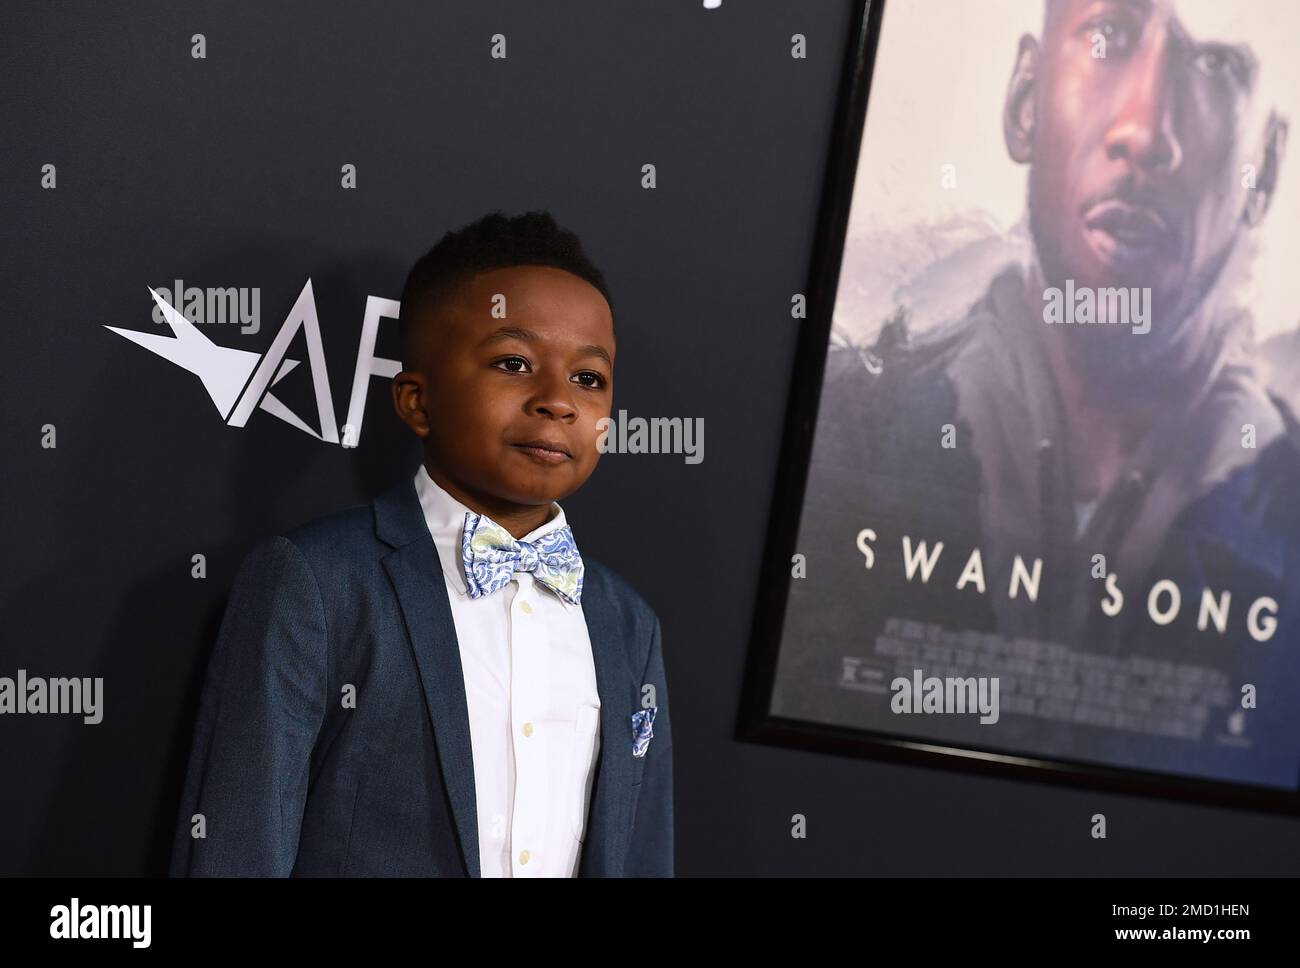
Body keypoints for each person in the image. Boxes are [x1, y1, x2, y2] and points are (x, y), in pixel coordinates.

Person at [779, 0, 1300, 786]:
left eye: (1216, 67)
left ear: (1263, 166)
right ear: (1027, 103)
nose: (1144, 131)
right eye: (1107, 38)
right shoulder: (845, 436)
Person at [170, 210, 672, 876]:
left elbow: (642, 857)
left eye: (589, 378)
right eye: (514, 362)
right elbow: (238, 847)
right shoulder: (316, 583)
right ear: (416, 400)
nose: (559, 400)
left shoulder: (629, 624)